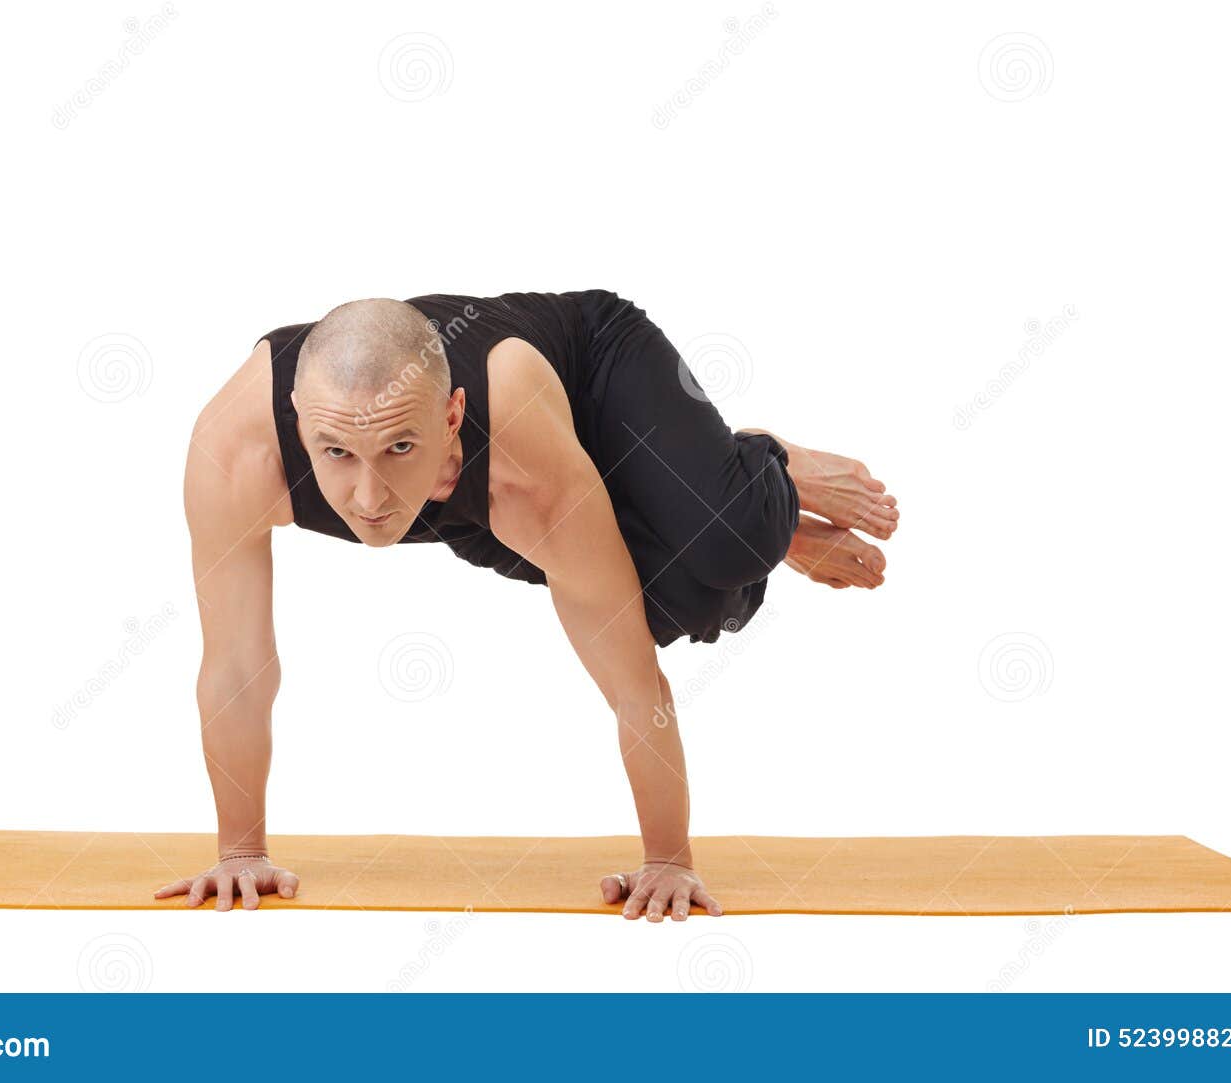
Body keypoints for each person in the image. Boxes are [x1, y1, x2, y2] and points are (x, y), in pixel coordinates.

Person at [157, 290, 898, 921]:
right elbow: (236, 667)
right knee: (681, 606)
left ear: (453, 416)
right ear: (296, 417)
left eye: (398, 449)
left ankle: (757, 468)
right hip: (472, 487)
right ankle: (722, 496)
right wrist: (240, 851)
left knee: (727, 549)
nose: (369, 498)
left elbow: (633, 684)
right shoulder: (232, 458)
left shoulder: (521, 473)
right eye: (337, 454)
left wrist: (668, 859)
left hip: (595, 378)